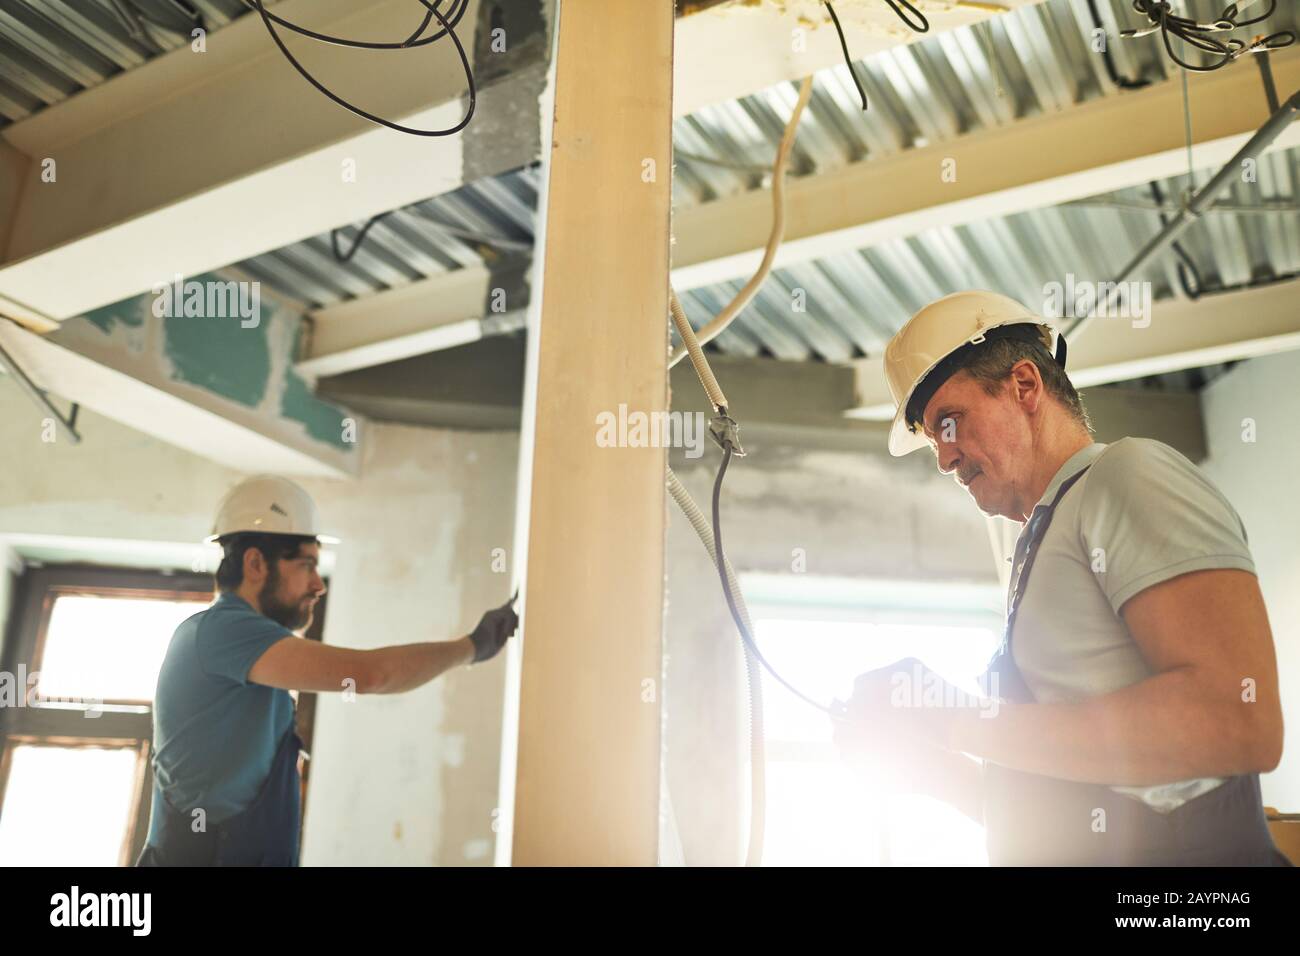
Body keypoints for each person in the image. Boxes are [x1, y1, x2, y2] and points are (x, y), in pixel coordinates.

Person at [836, 290, 1288, 865]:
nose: (945, 460)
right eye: (933, 441)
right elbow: (1085, 814)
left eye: (950, 423)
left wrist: (950, 716)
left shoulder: (1128, 475)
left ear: (1025, 386)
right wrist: (932, 767)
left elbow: (1238, 719)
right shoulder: (1044, 543)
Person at [136, 475, 517, 866]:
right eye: (307, 565)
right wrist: (472, 647)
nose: (319, 585)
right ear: (255, 563)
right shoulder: (222, 631)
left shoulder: (250, 653)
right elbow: (371, 675)